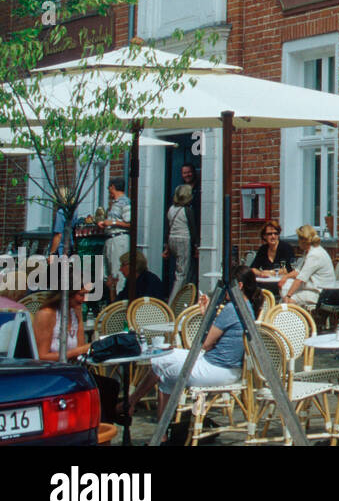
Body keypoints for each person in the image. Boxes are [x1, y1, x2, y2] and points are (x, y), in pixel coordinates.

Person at [126, 265, 263, 420]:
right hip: (229, 368)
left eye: (227, 285)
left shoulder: (232, 308)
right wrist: (206, 314)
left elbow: (205, 343)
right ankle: (138, 410)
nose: (224, 289)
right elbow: (212, 339)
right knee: (163, 358)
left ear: (239, 286)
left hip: (216, 368)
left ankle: (132, 406)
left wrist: (209, 331)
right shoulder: (248, 308)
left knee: (162, 367)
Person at [33, 286, 122, 425]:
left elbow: (80, 348)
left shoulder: (75, 312)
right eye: (80, 295)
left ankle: (104, 431)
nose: (84, 299)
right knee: (99, 394)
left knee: (111, 386)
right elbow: (41, 356)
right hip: (50, 374)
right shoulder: (47, 314)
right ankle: (99, 430)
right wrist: (79, 351)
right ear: (68, 293)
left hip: (71, 371)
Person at [278, 226, 332, 308]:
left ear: (303, 240)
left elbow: (300, 279)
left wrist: (288, 296)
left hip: (321, 294)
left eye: (299, 239)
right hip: (313, 288)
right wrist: (285, 277)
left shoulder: (314, 254)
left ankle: (293, 318)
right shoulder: (309, 251)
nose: (298, 241)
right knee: (285, 286)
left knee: (289, 299)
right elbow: (297, 271)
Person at [98, 177, 132, 300]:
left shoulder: (125, 202)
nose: (108, 191)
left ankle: (119, 304)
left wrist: (111, 222)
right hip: (111, 239)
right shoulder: (115, 203)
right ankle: (113, 302)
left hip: (119, 239)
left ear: (112, 187)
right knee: (109, 274)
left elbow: (130, 223)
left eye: (109, 188)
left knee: (119, 272)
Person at [163, 184, 195, 304]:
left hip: (172, 239)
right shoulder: (187, 210)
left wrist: (166, 246)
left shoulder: (171, 209)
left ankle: (183, 301)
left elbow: (168, 228)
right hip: (183, 240)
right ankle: (173, 304)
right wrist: (196, 245)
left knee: (180, 271)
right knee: (181, 274)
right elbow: (192, 229)